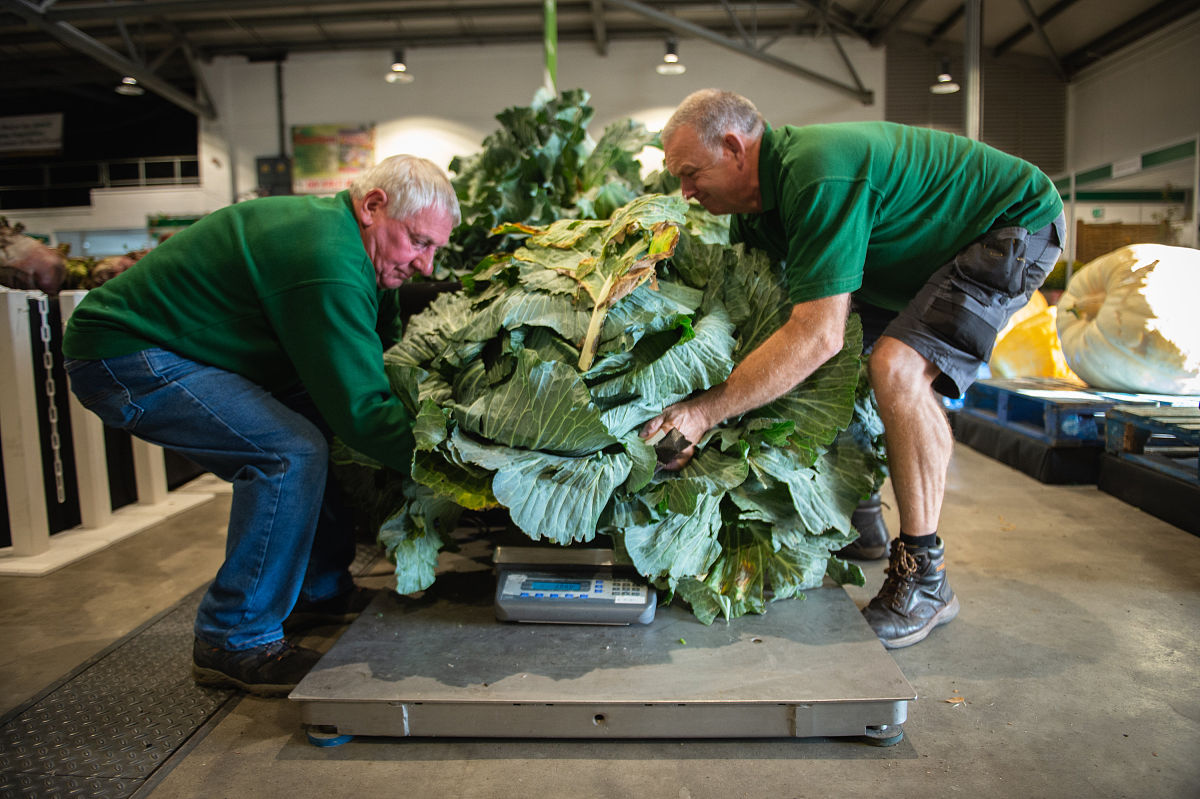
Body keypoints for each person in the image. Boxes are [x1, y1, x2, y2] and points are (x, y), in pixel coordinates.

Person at [643, 89, 1064, 649]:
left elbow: (817, 335)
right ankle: (861, 512)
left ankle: (925, 578)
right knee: (835, 362)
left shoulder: (817, 174)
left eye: (692, 173)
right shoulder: (754, 214)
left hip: (1008, 225)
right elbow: (779, 333)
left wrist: (703, 413)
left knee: (896, 367)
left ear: (734, 147)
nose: (686, 192)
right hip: (915, 253)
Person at [63, 154, 459, 694]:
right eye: (419, 241)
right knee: (288, 453)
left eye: (435, 248)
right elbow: (362, 411)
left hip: (195, 351)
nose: (427, 266)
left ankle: (318, 591)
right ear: (373, 207)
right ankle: (234, 638)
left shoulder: (356, 249)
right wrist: (455, 469)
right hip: (127, 357)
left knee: (314, 426)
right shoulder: (327, 256)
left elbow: (381, 354)